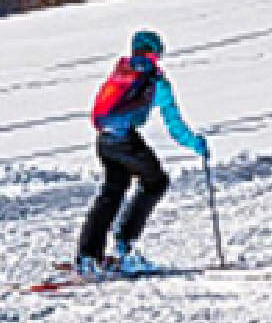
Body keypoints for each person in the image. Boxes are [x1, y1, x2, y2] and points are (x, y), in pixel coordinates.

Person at [77, 30, 209, 278]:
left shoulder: (122, 70)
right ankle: (124, 248)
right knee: (156, 182)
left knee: (113, 190)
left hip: (104, 139)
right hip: (125, 140)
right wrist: (195, 144)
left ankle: (88, 255)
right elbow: (174, 124)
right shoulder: (155, 81)